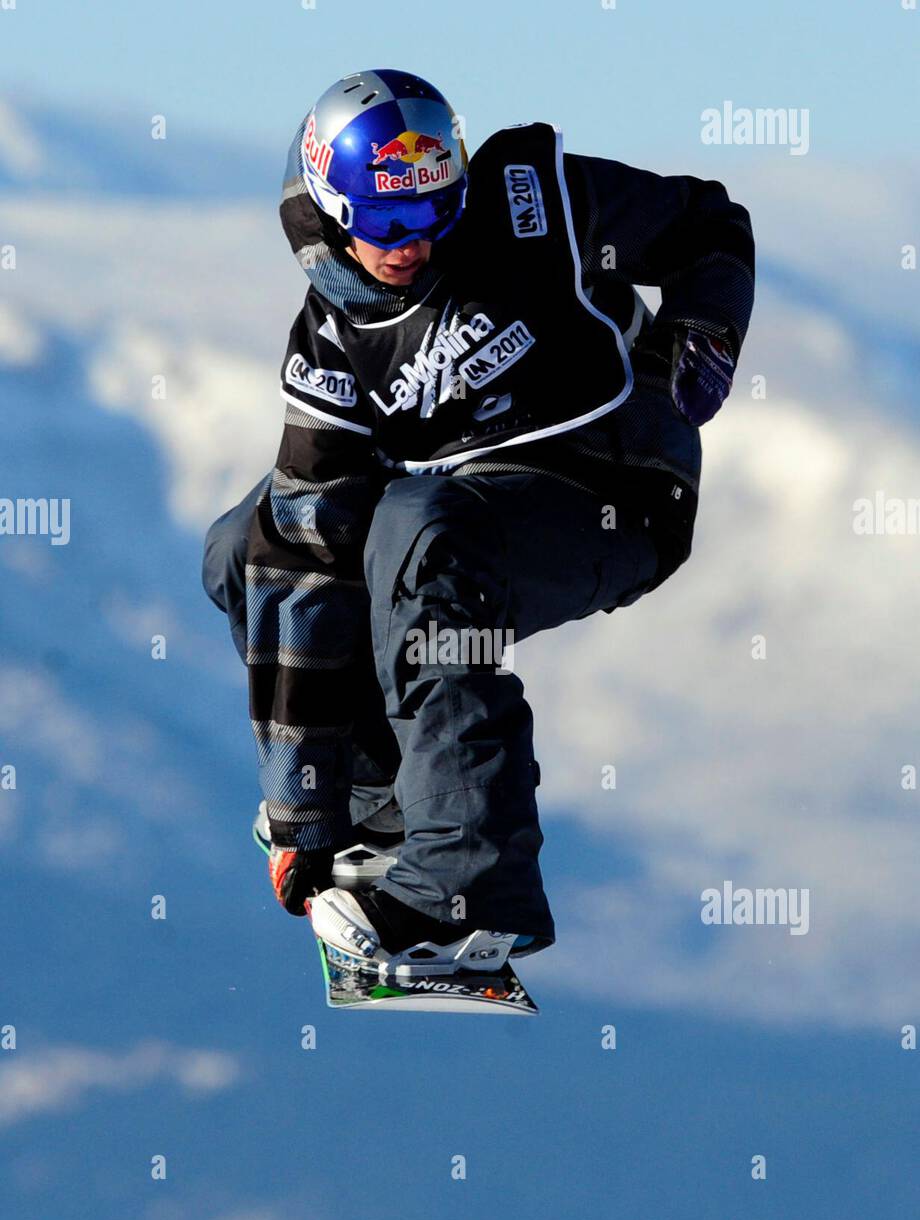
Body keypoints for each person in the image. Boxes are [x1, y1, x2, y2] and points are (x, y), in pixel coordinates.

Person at [203, 68, 754, 974]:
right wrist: (303, 806)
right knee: (244, 542)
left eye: (433, 214)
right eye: (384, 223)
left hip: (619, 484)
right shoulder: (333, 345)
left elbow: (708, 227)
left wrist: (701, 334)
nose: (411, 244)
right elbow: (295, 562)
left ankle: (473, 887)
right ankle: (380, 808)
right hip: (477, 498)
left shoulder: (533, 204)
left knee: (420, 532)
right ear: (335, 212)